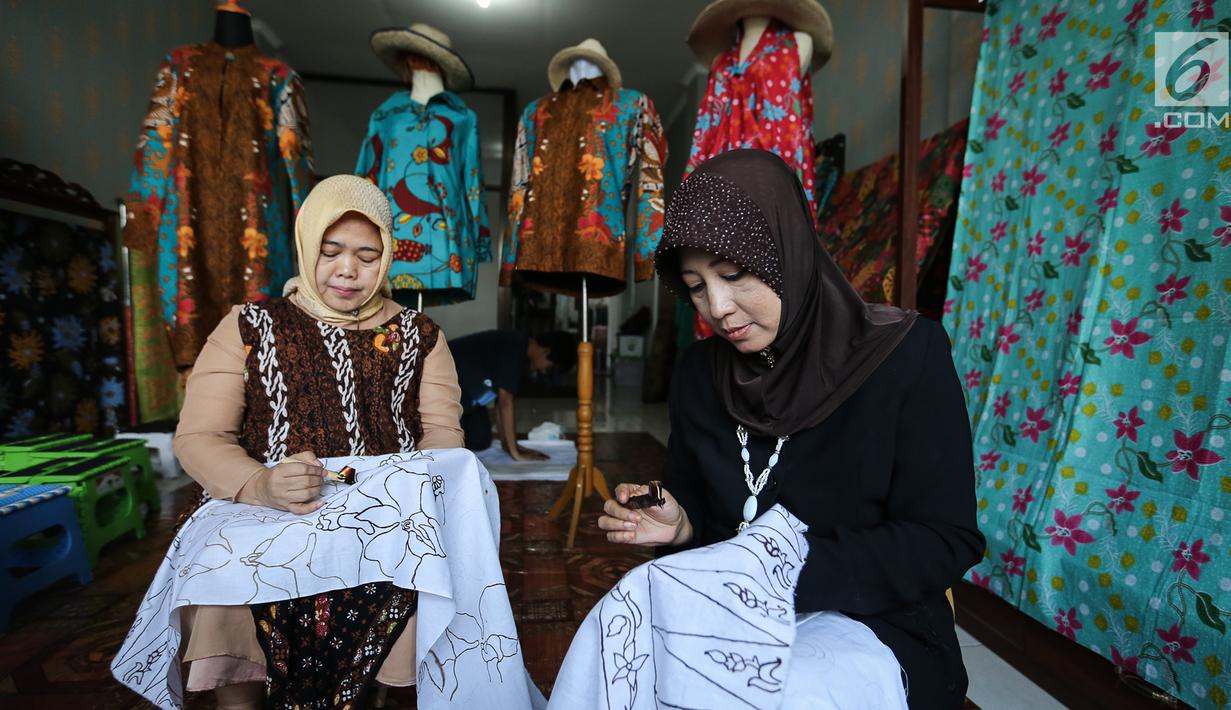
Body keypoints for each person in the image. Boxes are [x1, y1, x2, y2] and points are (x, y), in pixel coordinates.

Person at [597, 150, 984, 708]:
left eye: (734, 275)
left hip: (872, 618)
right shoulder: (699, 376)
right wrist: (681, 527)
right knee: (626, 667)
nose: (719, 308)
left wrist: (771, 576)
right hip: (728, 611)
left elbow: (945, 538)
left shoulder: (904, 357)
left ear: (789, 253)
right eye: (696, 286)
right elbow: (709, 518)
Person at [167, 175, 465, 709]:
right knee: (222, 569)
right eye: (331, 251)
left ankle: (379, 694)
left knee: (417, 570)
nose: (348, 269)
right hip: (262, 507)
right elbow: (199, 436)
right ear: (307, 246)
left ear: (389, 256)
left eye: (367, 255)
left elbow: (443, 441)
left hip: (384, 512)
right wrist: (258, 482)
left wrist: (401, 495)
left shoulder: (421, 336)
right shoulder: (251, 325)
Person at [449, 329, 577, 460]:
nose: (544, 370)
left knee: (480, 439)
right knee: (451, 441)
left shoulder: (520, 350)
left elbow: (500, 402)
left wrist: (509, 446)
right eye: (549, 367)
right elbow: (506, 402)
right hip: (443, 390)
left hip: (468, 394)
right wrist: (516, 454)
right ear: (546, 352)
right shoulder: (515, 348)